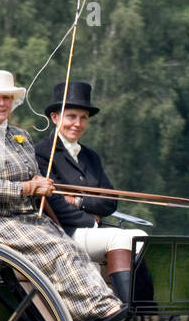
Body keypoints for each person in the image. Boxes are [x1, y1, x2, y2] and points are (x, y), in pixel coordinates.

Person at [0, 69, 124, 321]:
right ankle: (100, 309)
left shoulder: (19, 136)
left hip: (27, 217)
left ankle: (91, 310)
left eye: (6, 97)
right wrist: (29, 188)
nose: (1, 103)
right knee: (57, 249)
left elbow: (33, 175)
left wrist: (42, 184)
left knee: (72, 247)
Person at [33, 80, 147, 303]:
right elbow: (54, 204)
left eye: (83, 118)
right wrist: (90, 220)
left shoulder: (90, 157)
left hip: (91, 232)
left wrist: (79, 201)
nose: (77, 123)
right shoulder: (41, 153)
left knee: (140, 237)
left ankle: (142, 307)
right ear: (55, 117)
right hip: (61, 233)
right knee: (119, 237)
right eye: (71, 116)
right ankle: (124, 308)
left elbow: (110, 201)